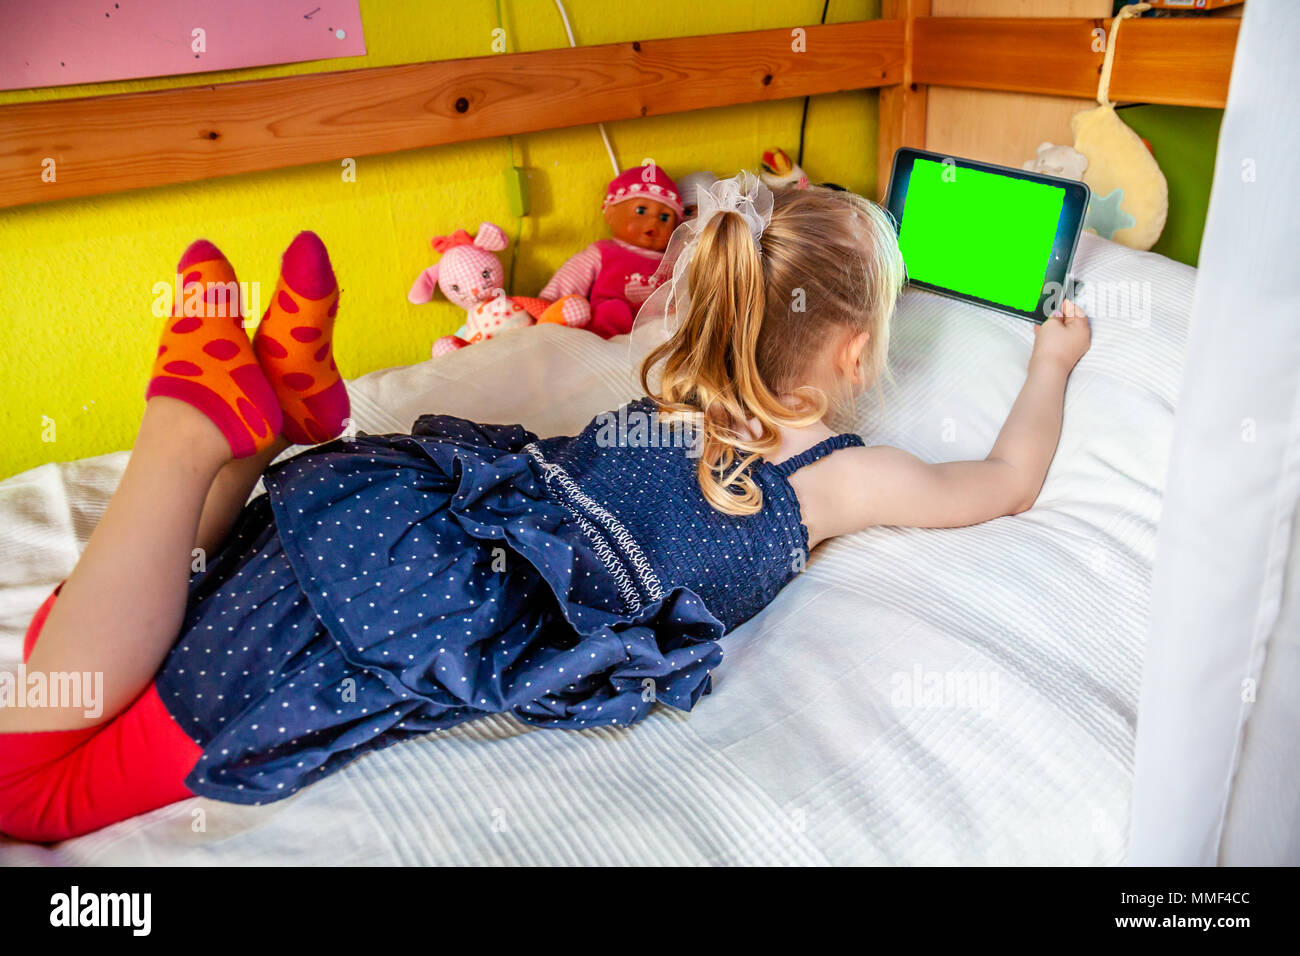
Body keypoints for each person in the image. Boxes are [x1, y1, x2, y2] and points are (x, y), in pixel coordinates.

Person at [0, 175, 1090, 842]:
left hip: (381, 513)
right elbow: (1005, 482)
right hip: (413, 603)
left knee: (105, 626)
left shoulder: (668, 383)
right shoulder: (836, 478)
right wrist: (1051, 361)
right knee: (25, 793)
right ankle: (187, 431)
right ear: (855, 351)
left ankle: (252, 440)